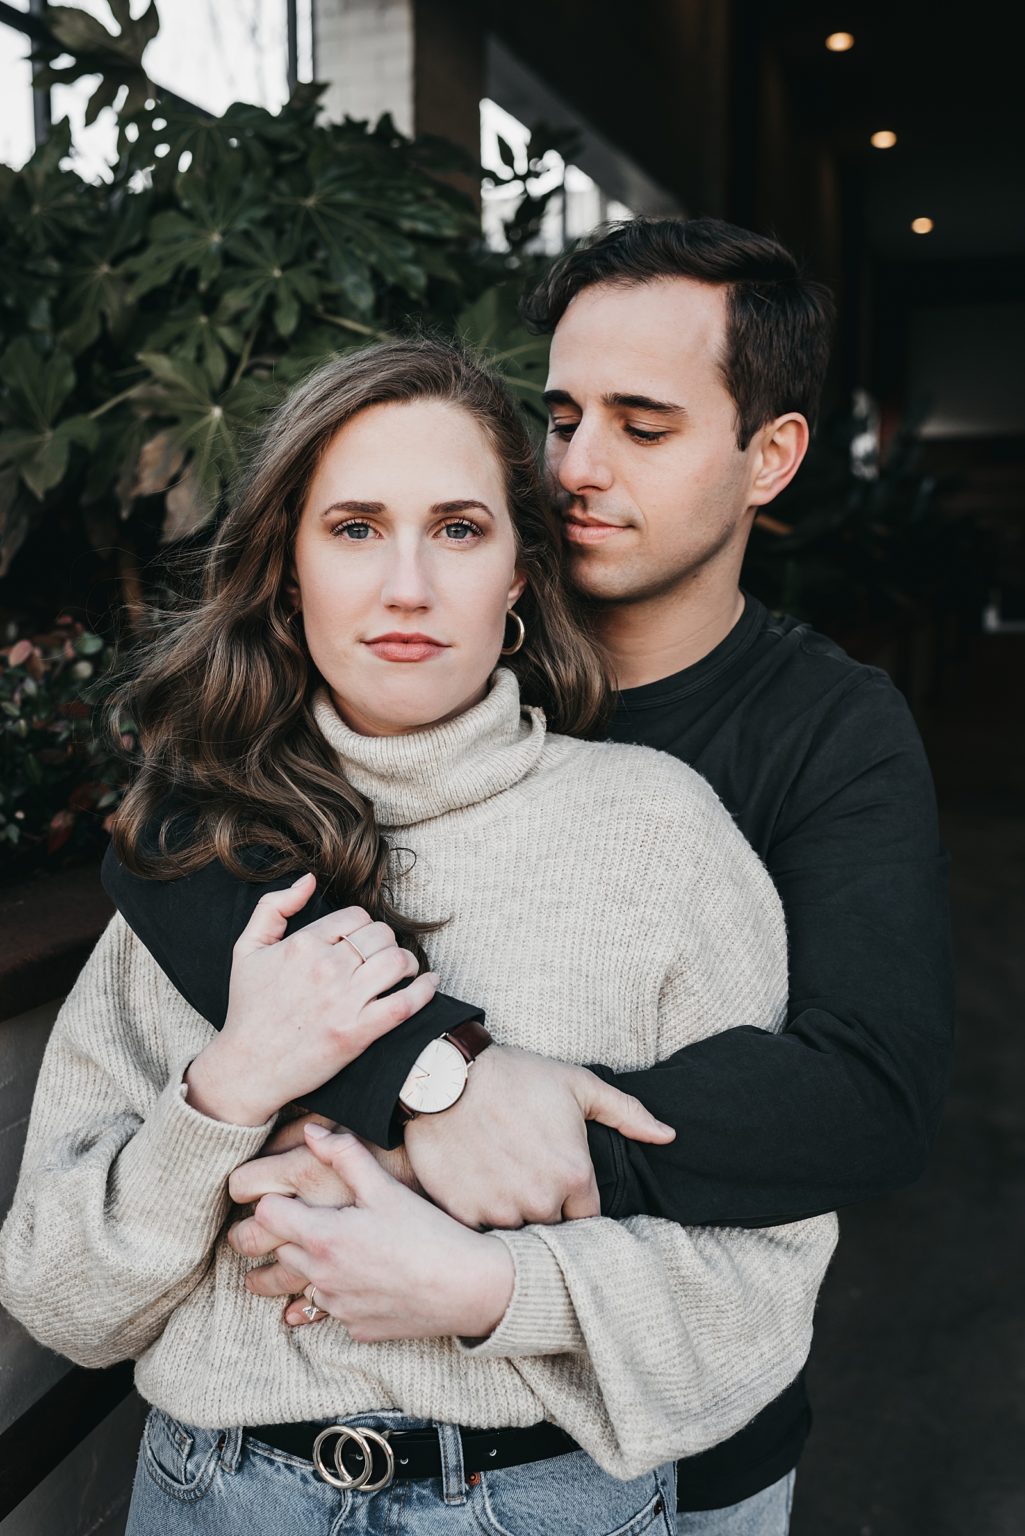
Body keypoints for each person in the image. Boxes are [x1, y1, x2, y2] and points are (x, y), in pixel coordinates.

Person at [101, 218, 953, 1530]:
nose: (577, 468)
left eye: (643, 427)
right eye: (560, 419)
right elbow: (181, 821)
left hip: (687, 1447)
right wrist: (430, 1072)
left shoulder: (828, 730)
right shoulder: (429, 627)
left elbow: (866, 1096)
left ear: (770, 456)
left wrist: (486, 1145)